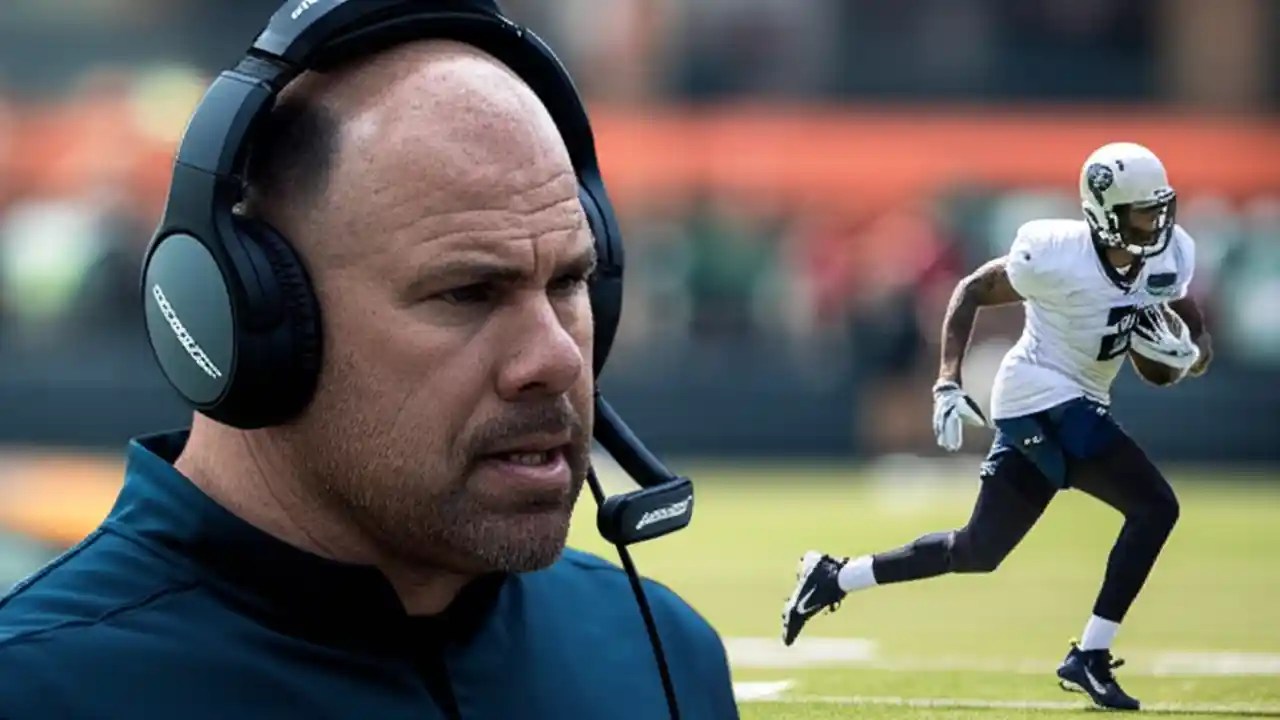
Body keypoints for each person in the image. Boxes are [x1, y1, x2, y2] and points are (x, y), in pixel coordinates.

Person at [0, 4, 737, 719]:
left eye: (569, 282)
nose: (554, 357)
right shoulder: (40, 687)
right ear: (249, 319)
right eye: (468, 292)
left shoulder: (662, 656)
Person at [780, 141, 1211, 712]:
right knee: (1155, 506)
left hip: (1078, 399)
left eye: (1159, 210)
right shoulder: (1055, 255)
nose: (1155, 224)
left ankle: (833, 578)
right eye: (1141, 213)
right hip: (1039, 395)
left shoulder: (1169, 257)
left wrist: (1188, 358)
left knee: (979, 549)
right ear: (1105, 213)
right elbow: (970, 291)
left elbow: (1188, 346)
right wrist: (947, 381)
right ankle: (1090, 655)